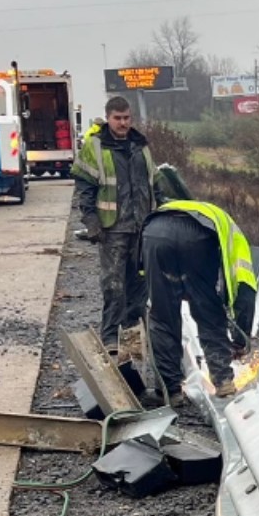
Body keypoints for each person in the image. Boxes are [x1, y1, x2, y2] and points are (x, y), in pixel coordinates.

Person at [71, 97, 161, 364]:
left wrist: (160, 213)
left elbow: (154, 184)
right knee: (113, 286)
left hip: (141, 228)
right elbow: (85, 187)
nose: (122, 123)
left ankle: (132, 346)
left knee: (138, 289)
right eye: (117, 118)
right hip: (112, 229)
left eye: (126, 118)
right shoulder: (95, 147)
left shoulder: (140, 145)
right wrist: (91, 221)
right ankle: (110, 339)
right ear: (108, 117)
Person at [139, 199, 258, 400]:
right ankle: (223, 383)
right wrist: (240, 341)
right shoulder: (234, 239)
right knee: (209, 313)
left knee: (162, 317)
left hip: (154, 232)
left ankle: (170, 391)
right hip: (197, 237)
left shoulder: (217, 222)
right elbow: (245, 293)